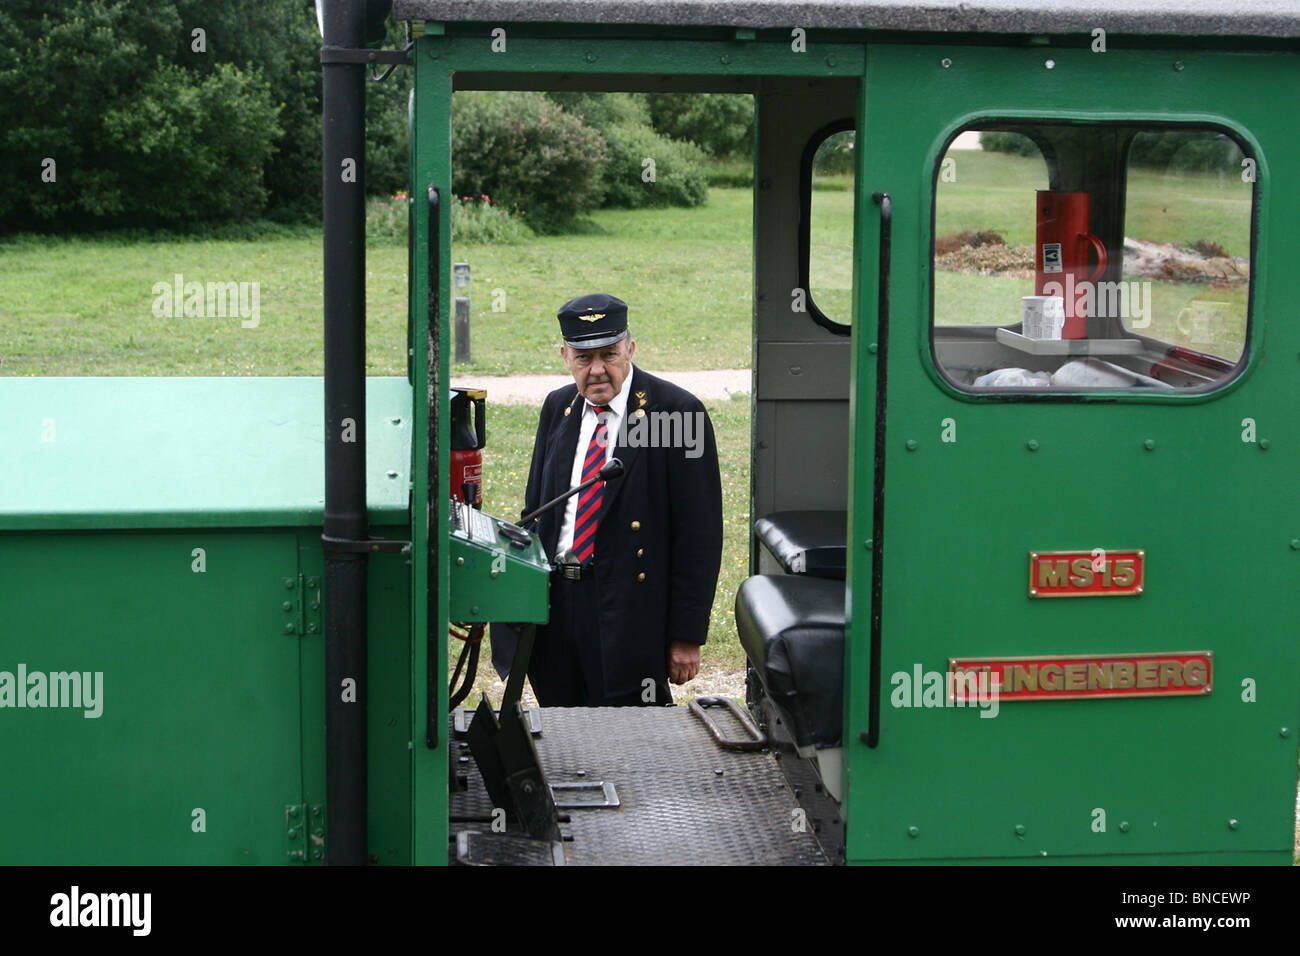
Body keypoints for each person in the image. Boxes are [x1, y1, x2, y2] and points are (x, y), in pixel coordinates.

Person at [514, 292, 723, 707]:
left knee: (633, 741)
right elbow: (536, 508)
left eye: (609, 355)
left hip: (630, 611)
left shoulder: (676, 415)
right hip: (558, 605)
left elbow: (699, 535)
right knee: (560, 734)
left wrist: (686, 635)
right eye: (583, 358)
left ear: (630, 348)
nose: (597, 370)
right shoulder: (559, 407)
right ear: (565, 356)